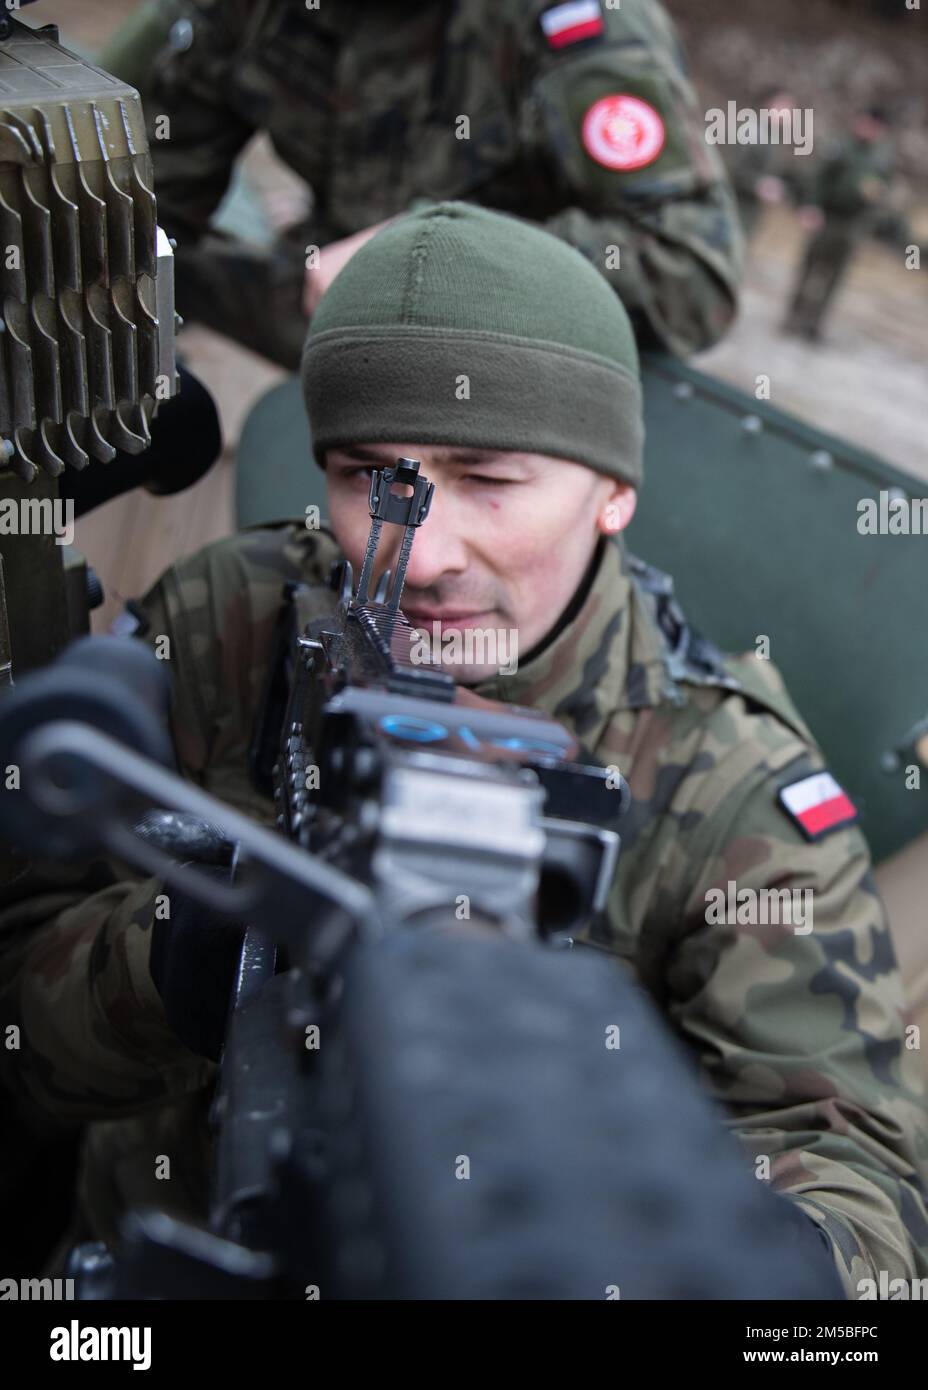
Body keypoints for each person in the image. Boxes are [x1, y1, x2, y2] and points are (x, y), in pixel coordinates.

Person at [1, 203, 926, 1295]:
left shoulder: (734, 788)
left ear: (614, 491)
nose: (422, 549)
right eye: (366, 476)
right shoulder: (230, 617)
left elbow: (862, 1182)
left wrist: (720, 1261)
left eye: (487, 480)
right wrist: (168, 960)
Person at [143, 0, 742, 367]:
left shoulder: (576, 24)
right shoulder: (261, 10)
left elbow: (691, 273)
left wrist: (438, 255)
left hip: (501, 367)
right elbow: (155, 204)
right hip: (325, 326)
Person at [784, 106, 894, 342]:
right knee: (810, 267)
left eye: (874, 127)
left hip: (853, 224)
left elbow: (885, 190)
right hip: (828, 216)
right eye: (865, 123)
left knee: (835, 277)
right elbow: (819, 178)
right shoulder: (839, 146)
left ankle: (814, 324)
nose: (868, 130)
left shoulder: (882, 157)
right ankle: (793, 316)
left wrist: (876, 199)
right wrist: (811, 207)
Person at [727, 88, 799, 242]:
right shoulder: (751, 130)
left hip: (750, 210)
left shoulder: (774, 136)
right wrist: (757, 185)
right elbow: (733, 168)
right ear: (769, 105)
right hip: (734, 205)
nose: (787, 113)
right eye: (783, 107)